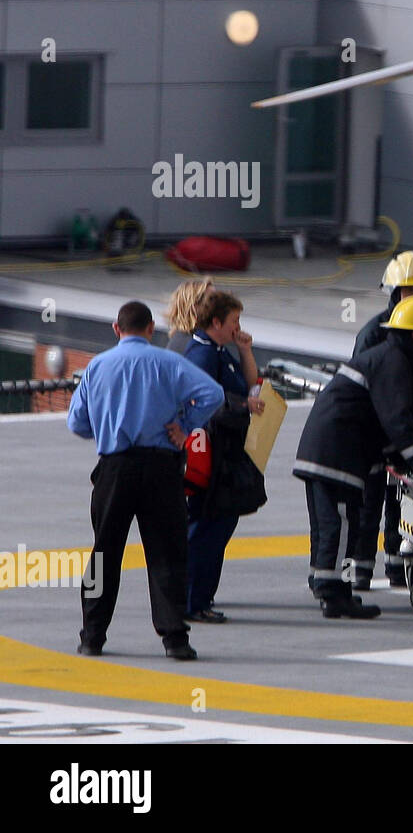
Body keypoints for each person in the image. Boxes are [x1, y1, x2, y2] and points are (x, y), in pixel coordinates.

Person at [67, 301, 224, 660]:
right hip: (161, 468)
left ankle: (92, 636)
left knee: (104, 555)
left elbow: (76, 423)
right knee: (167, 553)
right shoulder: (168, 363)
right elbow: (212, 394)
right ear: (152, 329)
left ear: (115, 328)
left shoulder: (97, 367)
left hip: (115, 467)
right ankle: (174, 639)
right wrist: (184, 427)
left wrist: (105, 426)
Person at [294, 296, 413, 618]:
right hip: (337, 452)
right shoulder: (395, 362)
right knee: (342, 523)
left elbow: (382, 424)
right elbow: (397, 423)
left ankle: (327, 585)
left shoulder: (386, 356)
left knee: (327, 524)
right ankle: (336, 595)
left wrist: (401, 460)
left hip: (327, 448)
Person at [352, 250, 413, 589]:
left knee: (403, 502)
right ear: (395, 293)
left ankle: (398, 566)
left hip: (408, 431)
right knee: (368, 502)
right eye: (408, 291)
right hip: (374, 431)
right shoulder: (374, 334)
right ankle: (360, 572)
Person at [181, 290, 266, 623]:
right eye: (234, 321)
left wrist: (244, 350)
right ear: (216, 322)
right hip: (214, 454)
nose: (238, 327)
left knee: (219, 522)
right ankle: (192, 599)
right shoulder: (202, 356)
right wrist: (242, 406)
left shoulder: (220, 352)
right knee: (208, 525)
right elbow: (201, 402)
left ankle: (201, 596)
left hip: (227, 449)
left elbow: (248, 385)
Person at [163, 277, 213, 354]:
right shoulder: (193, 345)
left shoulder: (179, 337)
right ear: (194, 306)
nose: (220, 303)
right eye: (212, 299)